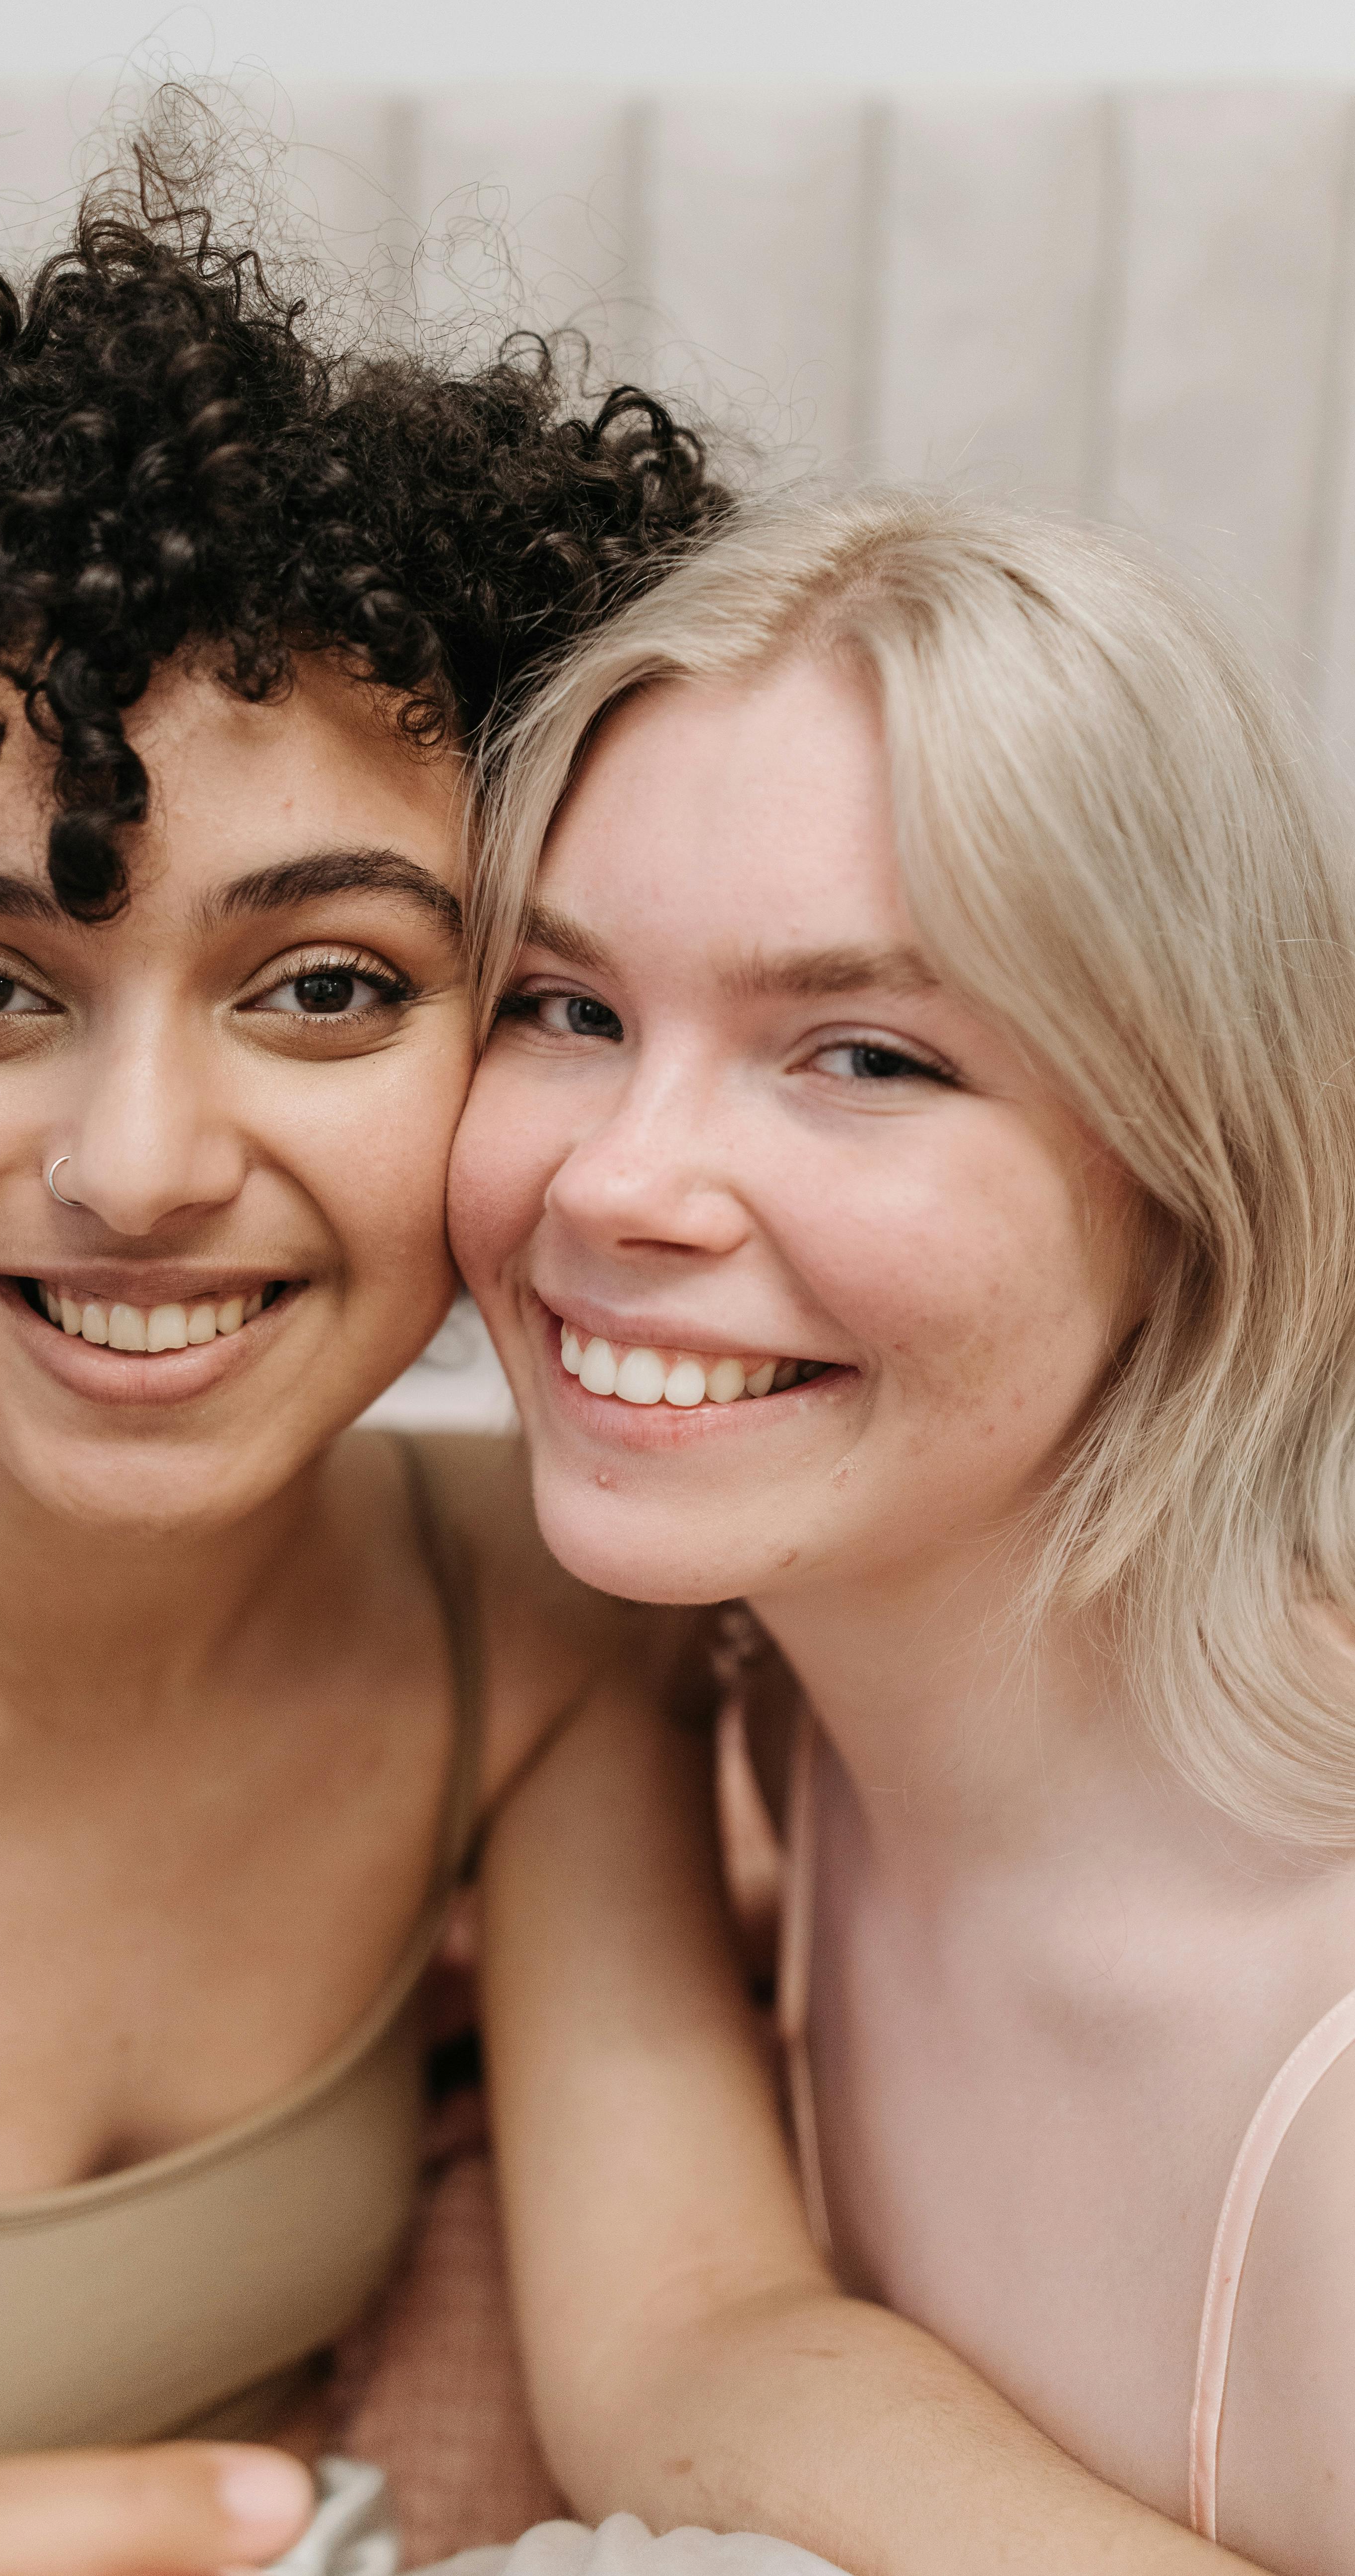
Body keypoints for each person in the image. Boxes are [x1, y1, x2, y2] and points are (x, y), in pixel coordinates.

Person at [0, 128, 724, 2566]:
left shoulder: (534, 1615)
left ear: (538, 1026)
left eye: (325, 984)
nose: (136, 1164)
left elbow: (696, 2355)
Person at [452, 488, 1355, 2576]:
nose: (620, 1183)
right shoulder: (757, 1670)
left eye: (862, 1053)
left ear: (1186, 1177)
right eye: (567, 1009)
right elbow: (689, 2349)